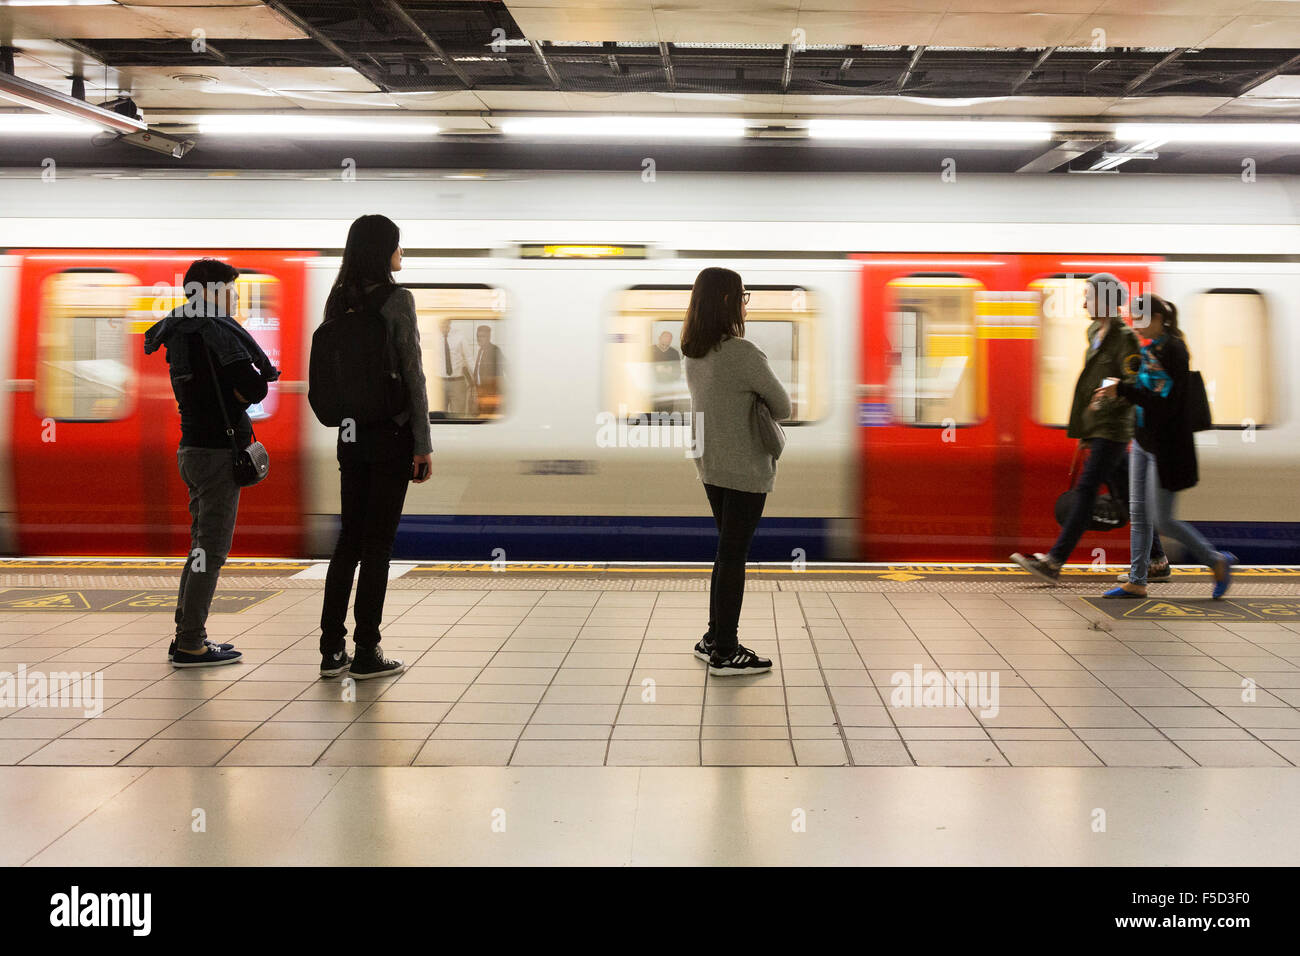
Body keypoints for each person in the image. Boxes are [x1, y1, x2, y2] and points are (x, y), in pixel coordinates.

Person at [144, 258, 279, 668]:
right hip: (218, 453)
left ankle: (187, 633)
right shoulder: (215, 330)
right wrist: (239, 399)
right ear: (209, 292)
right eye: (229, 289)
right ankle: (190, 643)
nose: (235, 297)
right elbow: (255, 384)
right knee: (211, 550)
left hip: (192, 450)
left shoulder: (179, 329)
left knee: (199, 547)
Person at [318, 214, 433, 679]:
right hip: (390, 436)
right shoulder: (397, 300)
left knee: (348, 542)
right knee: (378, 545)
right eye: (398, 246)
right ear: (383, 250)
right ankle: (367, 651)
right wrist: (422, 444)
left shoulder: (337, 299)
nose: (401, 254)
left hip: (350, 437)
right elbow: (414, 374)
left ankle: (331, 651)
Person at [682, 267, 791, 676]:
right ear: (729, 301)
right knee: (734, 556)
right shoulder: (743, 353)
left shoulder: (693, 351)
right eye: (744, 296)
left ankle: (713, 637)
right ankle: (726, 650)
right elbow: (783, 407)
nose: (746, 304)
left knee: (725, 553)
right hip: (743, 466)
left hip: (710, 463)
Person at [1095, 293, 1236, 599]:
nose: (1136, 327)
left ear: (1158, 319)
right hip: (1143, 440)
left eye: (1141, 321)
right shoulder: (1153, 347)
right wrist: (1119, 390)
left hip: (1166, 447)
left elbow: (1164, 404)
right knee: (1140, 515)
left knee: (1163, 520)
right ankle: (1137, 580)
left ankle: (1216, 560)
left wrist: (1123, 390)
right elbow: (1148, 391)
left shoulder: (1173, 350)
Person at [1011, 273, 1142, 584]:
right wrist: (1087, 430)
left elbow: (1134, 384)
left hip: (1113, 429)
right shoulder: (1094, 331)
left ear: (1108, 302)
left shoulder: (1126, 339)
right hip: (1098, 429)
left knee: (1085, 491)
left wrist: (1111, 397)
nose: (1085, 302)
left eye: (1091, 296)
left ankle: (1055, 561)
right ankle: (1156, 560)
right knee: (1128, 497)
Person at [435, 316, 473, 418]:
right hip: (439, 383)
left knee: (458, 416)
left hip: (457, 383)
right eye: (441, 323)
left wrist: (478, 380)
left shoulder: (459, 336)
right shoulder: (433, 337)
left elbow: (469, 358)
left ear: (449, 322)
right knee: (438, 417)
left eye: (445, 323)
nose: (443, 326)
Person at [471, 324, 504, 416]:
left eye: (482, 336)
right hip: (480, 391)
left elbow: (502, 369)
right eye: (478, 336)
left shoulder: (494, 350)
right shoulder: (481, 350)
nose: (479, 339)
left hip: (489, 392)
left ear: (489, 337)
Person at [651, 329, 682, 413]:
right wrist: (659, 369)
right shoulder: (650, 350)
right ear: (659, 338)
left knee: (667, 414)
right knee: (653, 414)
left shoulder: (674, 353)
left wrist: (665, 370)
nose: (667, 340)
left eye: (670, 339)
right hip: (653, 388)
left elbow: (678, 373)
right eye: (665, 337)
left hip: (668, 389)